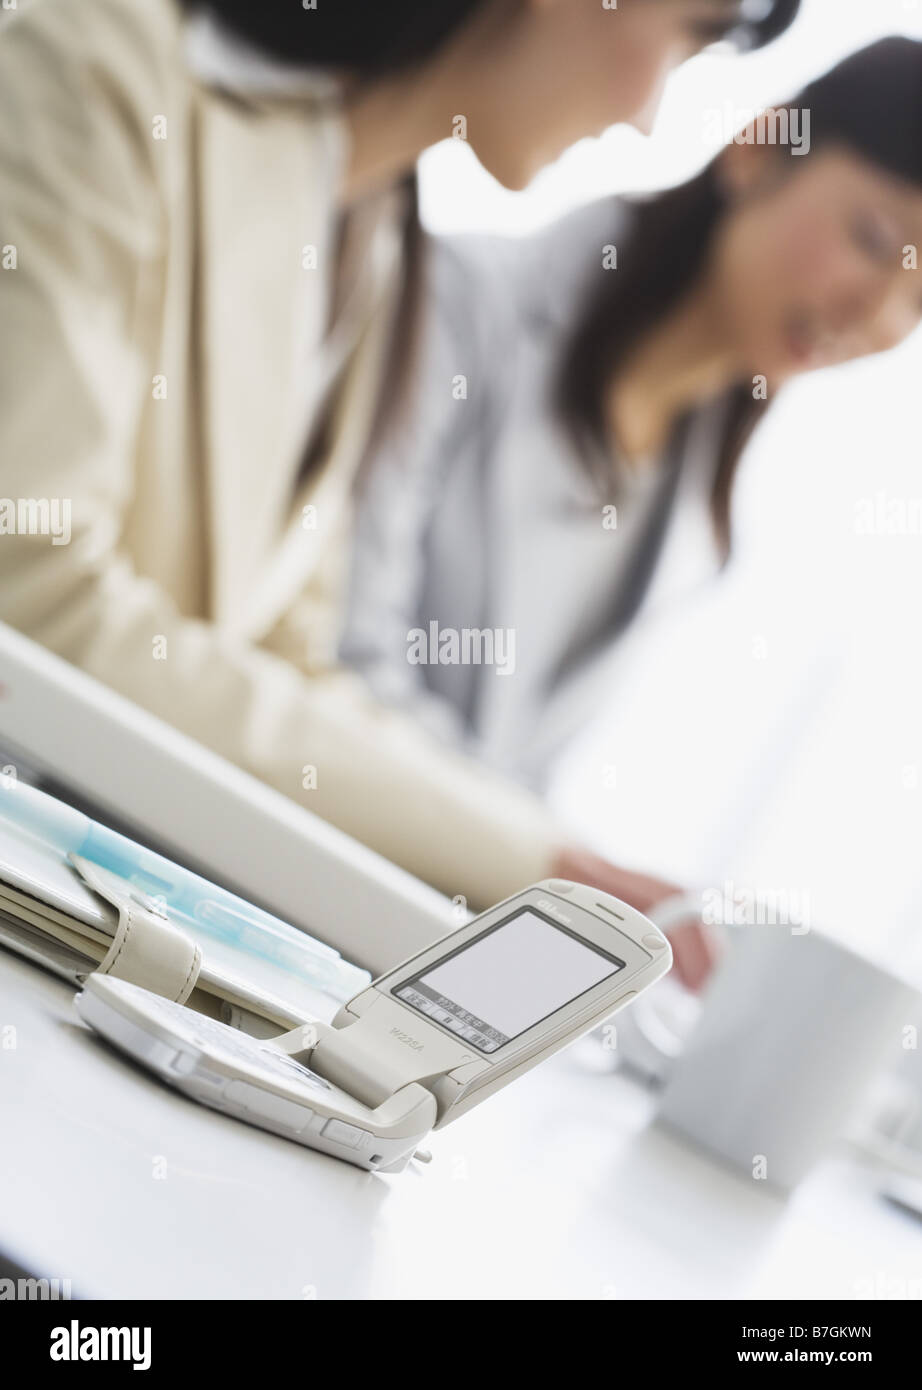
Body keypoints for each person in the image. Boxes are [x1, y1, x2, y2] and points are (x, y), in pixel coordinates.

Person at [0, 0, 802, 960]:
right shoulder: (108, 65)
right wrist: (524, 857)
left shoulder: (376, 242)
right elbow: (33, 589)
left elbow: (293, 660)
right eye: (686, 37)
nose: (645, 119)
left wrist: (548, 864)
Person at [343, 37, 922, 986]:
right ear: (759, 149)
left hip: (388, 966)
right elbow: (330, 666)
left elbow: (505, 770)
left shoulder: (697, 508)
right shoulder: (453, 302)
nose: (876, 311)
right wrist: (553, 866)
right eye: (872, 239)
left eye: (920, 298)